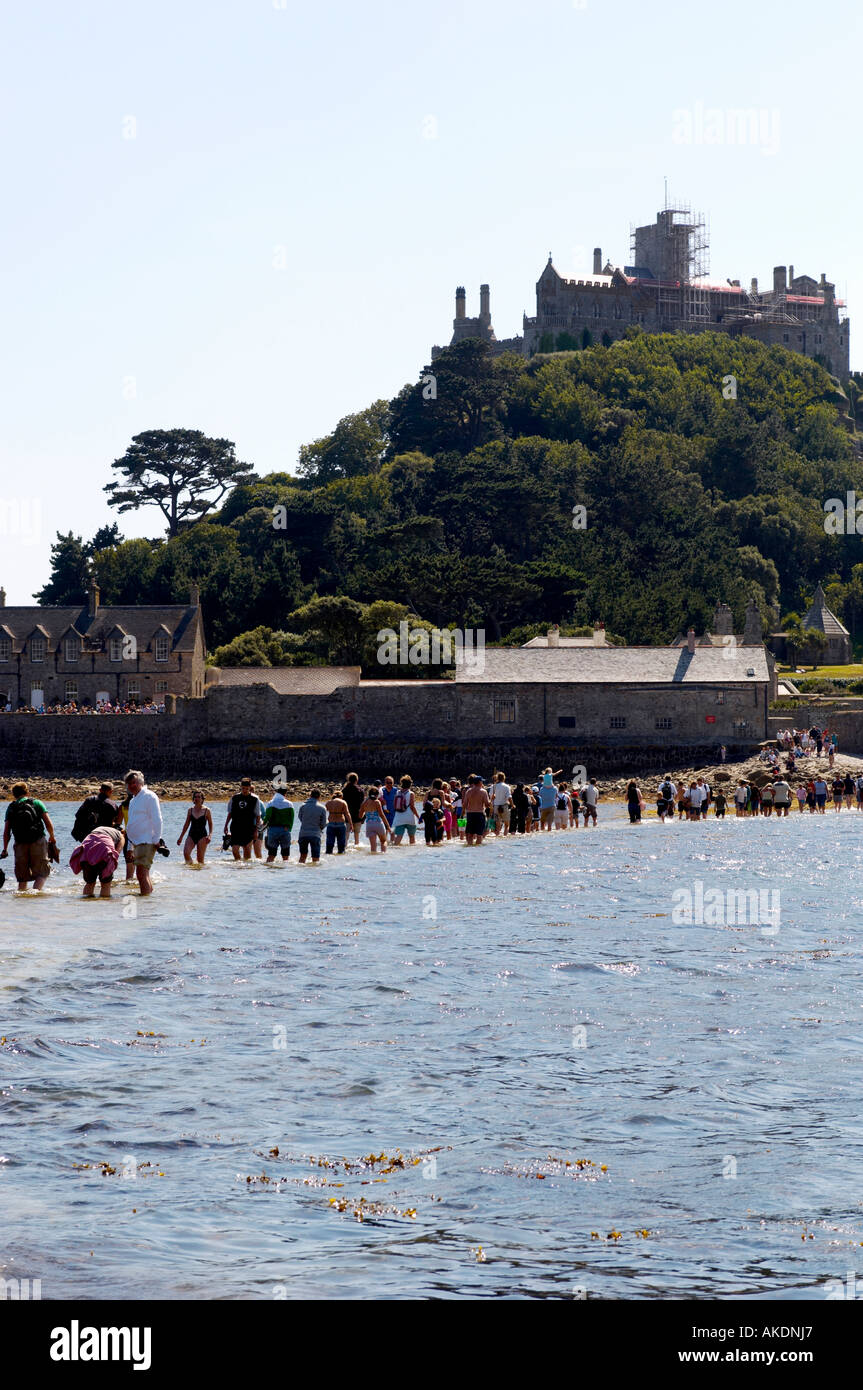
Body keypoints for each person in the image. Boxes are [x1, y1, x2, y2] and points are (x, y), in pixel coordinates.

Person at [1, 782, 58, 891]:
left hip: (20, 843)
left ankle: (23, 902)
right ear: (27, 791)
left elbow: (6, 832)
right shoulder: (37, 803)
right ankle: (35, 896)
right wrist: (52, 837)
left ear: (14, 794)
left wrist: (5, 849)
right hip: (38, 841)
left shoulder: (11, 807)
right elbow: (48, 824)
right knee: (42, 873)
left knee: (22, 878)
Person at [123, 770, 162, 897]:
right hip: (137, 842)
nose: (131, 786)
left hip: (147, 840)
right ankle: (148, 899)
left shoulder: (149, 796)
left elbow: (157, 819)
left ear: (141, 782)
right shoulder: (133, 800)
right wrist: (129, 847)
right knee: (143, 874)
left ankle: (145, 903)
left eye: (134, 782)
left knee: (141, 874)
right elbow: (131, 825)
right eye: (128, 784)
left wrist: (157, 839)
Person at [70, 824, 126, 898]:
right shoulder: (120, 834)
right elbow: (118, 850)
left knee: (90, 883)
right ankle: (103, 905)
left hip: (87, 848)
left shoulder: (100, 828)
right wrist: (113, 861)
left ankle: (85, 905)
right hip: (104, 848)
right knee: (105, 884)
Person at [224, 778, 262, 860]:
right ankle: (238, 867)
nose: (245, 790)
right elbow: (230, 813)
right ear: (241, 787)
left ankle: (246, 871)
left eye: (247, 789)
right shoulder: (235, 798)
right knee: (235, 850)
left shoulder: (255, 799)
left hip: (249, 828)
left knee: (247, 852)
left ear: (250, 788)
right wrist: (226, 825)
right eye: (243, 788)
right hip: (236, 827)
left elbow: (258, 815)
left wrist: (256, 830)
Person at [177, 791, 213, 864]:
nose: (197, 798)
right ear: (193, 799)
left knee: (200, 860)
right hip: (191, 835)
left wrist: (210, 835)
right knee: (186, 853)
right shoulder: (190, 810)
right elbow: (186, 824)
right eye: (195, 797)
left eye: (199, 797)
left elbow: (210, 824)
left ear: (202, 799)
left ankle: (199, 873)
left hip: (202, 836)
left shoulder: (207, 810)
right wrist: (181, 837)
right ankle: (191, 868)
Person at [262, 785, 294, 862]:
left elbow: (267, 817)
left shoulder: (271, 803)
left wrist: (263, 824)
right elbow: (291, 818)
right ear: (285, 793)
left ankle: (270, 871)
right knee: (285, 856)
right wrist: (289, 828)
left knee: (271, 855)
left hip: (273, 830)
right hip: (285, 830)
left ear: (277, 792)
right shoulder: (289, 804)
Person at [297, 788, 327, 863]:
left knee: (302, 857)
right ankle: (314, 874)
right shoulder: (322, 808)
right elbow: (323, 824)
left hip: (303, 834)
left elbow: (300, 818)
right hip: (315, 834)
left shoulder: (303, 806)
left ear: (310, 795)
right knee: (315, 859)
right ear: (319, 797)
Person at [390, 776, 420, 846]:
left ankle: (395, 849)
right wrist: (418, 817)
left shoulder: (397, 792)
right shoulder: (411, 793)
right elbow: (412, 807)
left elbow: (394, 805)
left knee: (399, 836)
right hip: (409, 817)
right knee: (411, 836)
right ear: (410, 784)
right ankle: (411, 852)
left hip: (399, 817)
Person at [359, 786, 390, 853]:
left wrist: (367, 814)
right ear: (377, 794)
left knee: (373, 846)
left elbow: (360, 816)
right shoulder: (377, 802)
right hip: (378, 824)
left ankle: (373, 858)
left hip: (369, 825)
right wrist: (387, 826)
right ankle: (383, 854)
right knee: (383, 841)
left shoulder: (364, 803)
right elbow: (381, 815)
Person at [462, 774, 490, 846]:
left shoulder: (468, 791)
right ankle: (477, 848)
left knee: (470, 834)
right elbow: (487, 805)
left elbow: (464, 804)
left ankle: (470, 847)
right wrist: (492, 799)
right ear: (480, 782)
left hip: (470, 814)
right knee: (479, 834)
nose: (482, 783)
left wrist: (462, 813)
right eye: (482, 782)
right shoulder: (483, 791)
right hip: (480, 814)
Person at [341, 772, 365, 847]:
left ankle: (344, 847)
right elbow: (363, 804)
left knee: (346, 834)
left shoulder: (344, 790)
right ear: (356, 780)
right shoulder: (360, 790)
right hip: (358, 814)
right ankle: (356, 845)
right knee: (357, 834)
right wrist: (364, 816)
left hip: (347, 815)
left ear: (348, 779)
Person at [324, 788, 350, 855]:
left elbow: (323, 813)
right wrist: (351, 824)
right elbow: (347, 814)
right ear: (341, 796)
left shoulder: (328, 802)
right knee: (341, 845)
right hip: (341, 823)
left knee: (329, 844)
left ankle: (329, 854)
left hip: (331, 823)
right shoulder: (343, 802)